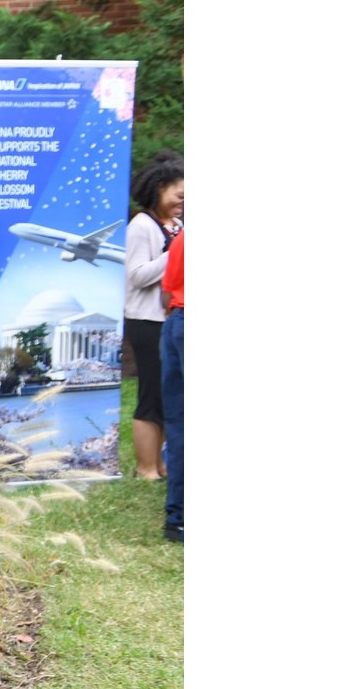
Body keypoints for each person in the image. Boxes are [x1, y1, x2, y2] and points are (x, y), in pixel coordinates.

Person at [124, 158, 184, 480]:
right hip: (146, 322)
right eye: (179, 195)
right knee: (150, 394)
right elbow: (136, 277)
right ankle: (146, 468)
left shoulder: (179, 227)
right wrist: (172, 253)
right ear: (160, 189)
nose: (184, 202)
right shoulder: (141, 226)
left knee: (167, 394)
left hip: (172, 320)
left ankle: (161, 465)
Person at [161, 225, 184, 542]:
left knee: (179, 423)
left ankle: (178, 518)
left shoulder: (183, 238)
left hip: (177, 322)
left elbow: (167, 289)